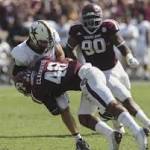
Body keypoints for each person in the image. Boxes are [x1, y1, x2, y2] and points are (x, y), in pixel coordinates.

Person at [13, 56, 148, 150]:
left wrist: (51, 92)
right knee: (84, 117)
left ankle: (137, 132)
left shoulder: (37, 91)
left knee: (111, 105)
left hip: (86, 78)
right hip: (87, 72)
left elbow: (55, 110)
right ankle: (111, 135)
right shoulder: (40, 62)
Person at [66, 3, 150, 133]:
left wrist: (128, 56)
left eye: (93, 17)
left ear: (100, 17)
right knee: (124, 98)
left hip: (115, 68)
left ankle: (118, 126)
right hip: (97, 73)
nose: (90, 21)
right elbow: (68, 49)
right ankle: (146, 124)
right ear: (83, 19)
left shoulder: (107, 27)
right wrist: (78, 64)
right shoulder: (77, 31)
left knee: (124, 96)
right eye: (87, 18)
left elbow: (120, 44)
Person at [10, 20, 90, 150]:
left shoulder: (51, 36)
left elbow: (59, 54)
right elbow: (17, 76)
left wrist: (58, 68)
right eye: (43, 42)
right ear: (34, 38)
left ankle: (78, 139)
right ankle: (78, 138)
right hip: (38, 84)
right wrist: (28, 82)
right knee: (57, 109)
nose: (47, 45)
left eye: (49, 42)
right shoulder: (21, 53)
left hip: (55, 74)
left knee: (65, 106)